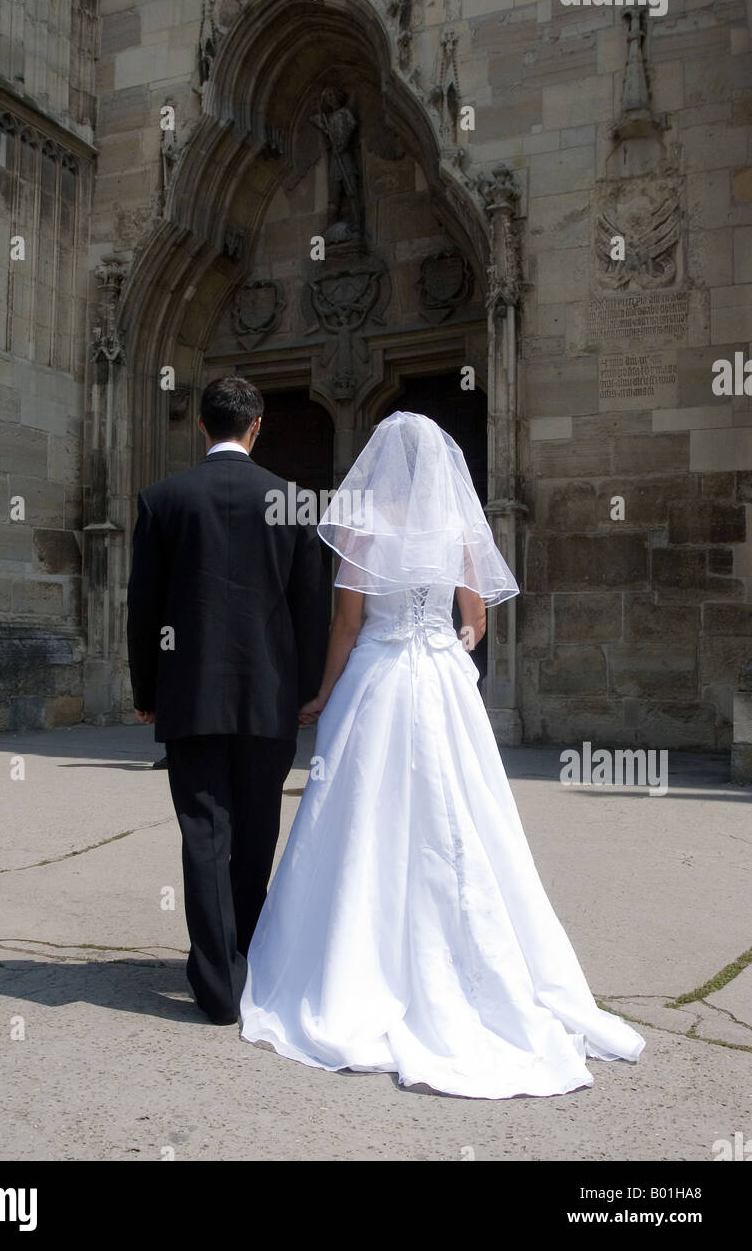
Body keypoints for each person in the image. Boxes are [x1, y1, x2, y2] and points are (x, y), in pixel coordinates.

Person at [239, 411, 644, 1097]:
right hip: (440, 679)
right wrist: (450, 651)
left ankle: (350, 960)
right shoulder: (456, 530)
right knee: (463, 813)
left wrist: (323, 693)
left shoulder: (365, 527)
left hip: (377, 677)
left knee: (362, 816)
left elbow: (347, 624)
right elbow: (476, 619)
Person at [127, 376, 328, 1024]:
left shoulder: (163, 500)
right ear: (257, 425)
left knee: (205, 835)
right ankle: (248, 955)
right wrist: (308, 691)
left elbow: (144, 609)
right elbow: (310, 609)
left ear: (200, 426)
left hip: (190, 697)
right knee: (257, 829)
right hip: (269, 699)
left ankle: (217, 985)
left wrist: (146, 691)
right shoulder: (292, 503)